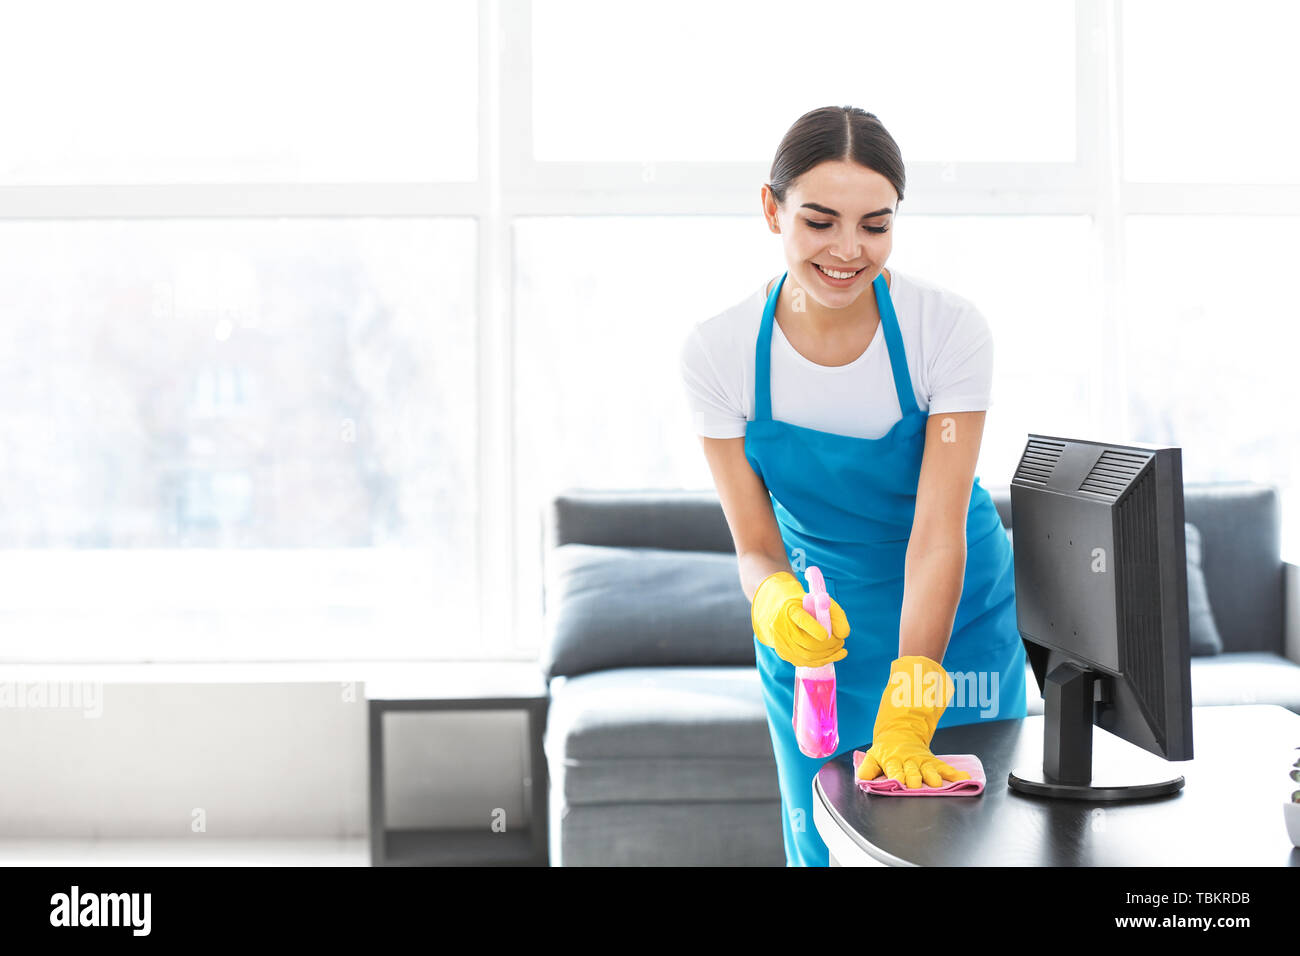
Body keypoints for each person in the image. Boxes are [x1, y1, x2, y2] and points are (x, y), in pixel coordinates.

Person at [678, 106, 1027, 866]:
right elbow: (755, 548)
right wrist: (772, 604)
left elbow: (937, 536)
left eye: (875, 224)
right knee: (828, 849)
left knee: (963, 844)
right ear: (771, 209)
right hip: (817, 646)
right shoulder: (721, 353)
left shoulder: (947, 331)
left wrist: (915, 693)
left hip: (953, 622)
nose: (847, 250)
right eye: (819, 221)